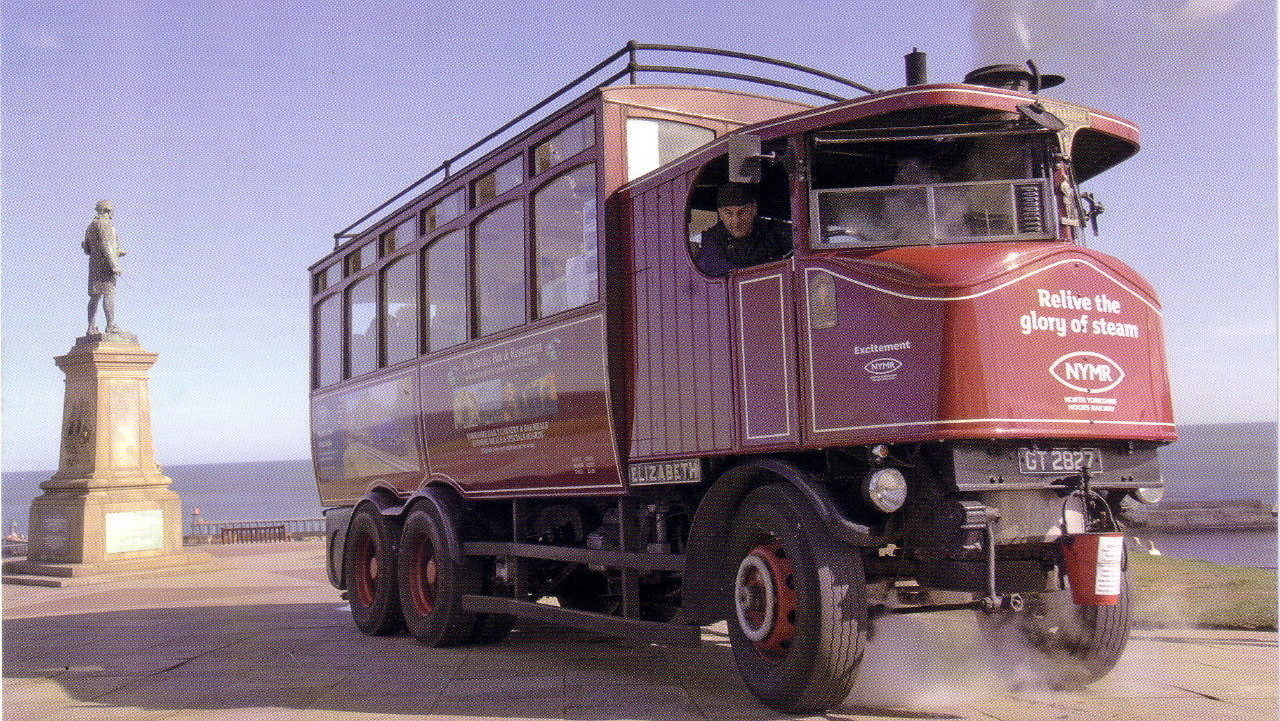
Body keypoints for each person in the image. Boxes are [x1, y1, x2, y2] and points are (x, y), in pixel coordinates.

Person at [694, 184, 791, 277]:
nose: (736, 222)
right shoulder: (712, 238)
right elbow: (710, 265)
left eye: (743, 212)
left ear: (754, 209)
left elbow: (801, 240)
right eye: (728, 213)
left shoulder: (771, 229)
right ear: (720, 214)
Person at [83, 200, 125, 334]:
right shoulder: (106, 225)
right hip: (106, 266)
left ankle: (91, 327)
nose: (113, 214)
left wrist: (117, 252)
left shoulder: (91, 226)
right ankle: (111, 325)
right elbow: (107, 246)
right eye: (112, 211)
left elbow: (87, 249)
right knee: (109, 294)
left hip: (94, 265)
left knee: (94, 296)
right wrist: (114, 265)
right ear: (108, 210)